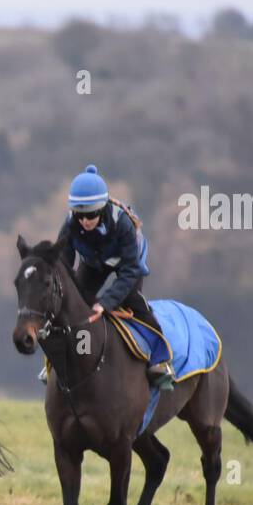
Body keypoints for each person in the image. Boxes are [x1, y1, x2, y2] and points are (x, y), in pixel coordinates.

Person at [46, 164, 175, 389]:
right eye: (80, 215)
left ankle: (161, 360)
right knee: (75, 302)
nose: (85, 221)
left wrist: (105, 303)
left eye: (92, 215)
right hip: (94, 262)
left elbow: (130, 270)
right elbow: (63, 263)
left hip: (128, 263)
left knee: (133, 303)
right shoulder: (70, 223)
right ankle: (56, 360)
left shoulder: (123, 223)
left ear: (102, 208)